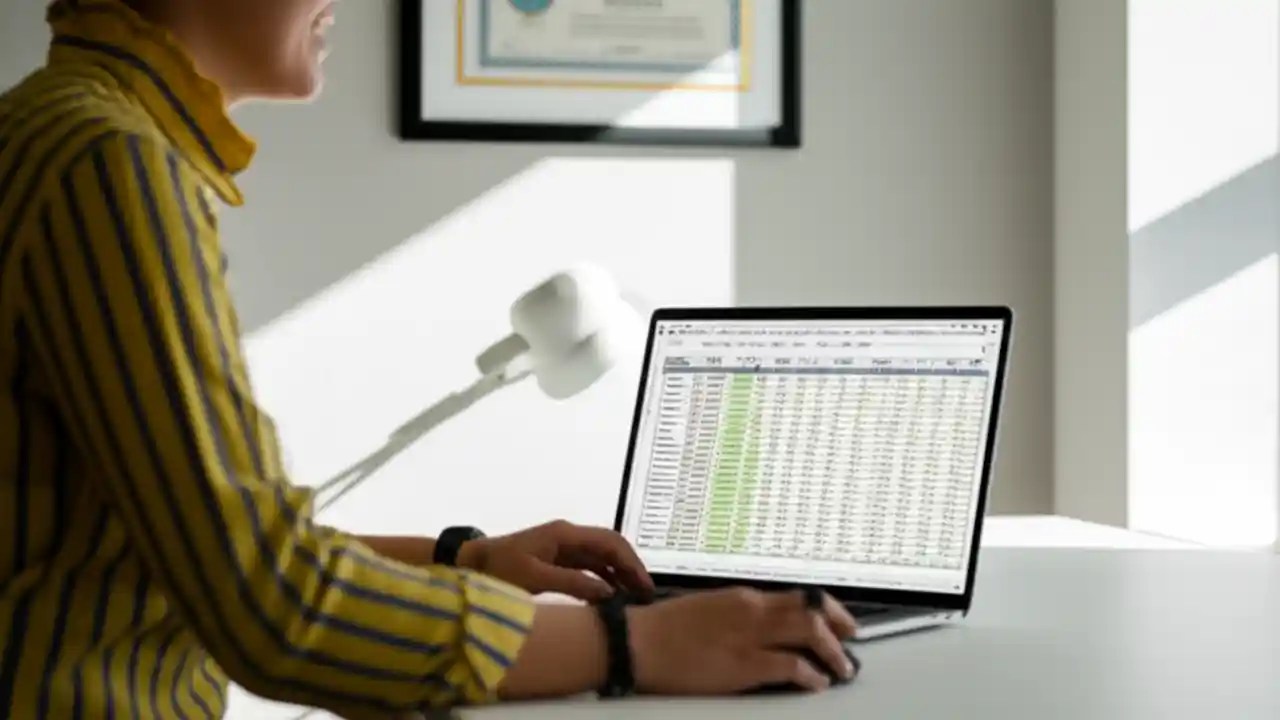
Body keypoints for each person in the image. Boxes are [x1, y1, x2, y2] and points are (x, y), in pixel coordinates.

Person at [0, 0, 858, 717]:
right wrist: (637, 641)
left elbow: (188, 545)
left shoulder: (64, 131)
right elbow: (271, 605)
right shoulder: (107, 163)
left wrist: (466, 561)